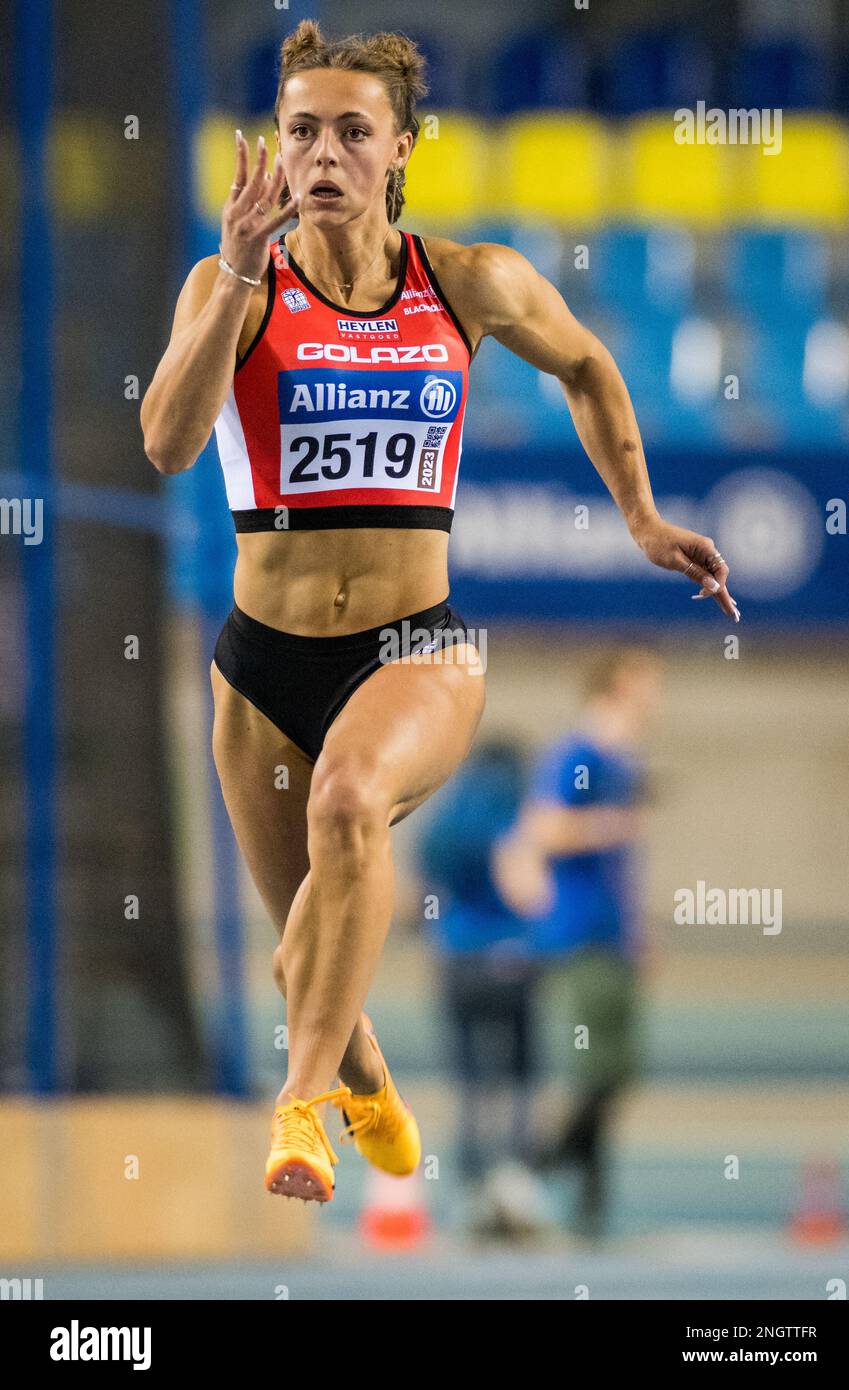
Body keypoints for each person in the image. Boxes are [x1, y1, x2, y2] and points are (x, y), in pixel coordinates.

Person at [139, 17, 736, 1206]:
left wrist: (639, 515)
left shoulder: (467, 282)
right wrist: (244, 275)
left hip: (417, 645)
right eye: (301, 129)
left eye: (351, 132)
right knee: (303, 949)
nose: (321, 154)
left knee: (350, 805)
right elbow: (165, 440)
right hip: (259, 668)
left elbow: (588, 367)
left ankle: (299, 1108)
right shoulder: (231, 285)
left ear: (401, 148)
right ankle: (364, 1079)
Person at [493, 645, 664, 1239]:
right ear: (616, 685)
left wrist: (639, 932)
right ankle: (525, 1175)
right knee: (596, 1072)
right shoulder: (578, 756)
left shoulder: (621, 760)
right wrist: (604, 826)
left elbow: (622, 869)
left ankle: (587, 1207)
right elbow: (540, 830)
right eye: (645, 681)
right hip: (580, 937)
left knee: (618, 1073)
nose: (655, 695)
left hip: (613, 937)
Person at [415, 739, 547, 1237]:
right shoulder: (511, 814)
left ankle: (471, 1192)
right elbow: (527, 892)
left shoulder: (448, 821)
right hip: (510, 958)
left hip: (457, 960)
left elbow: (419, 893)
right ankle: (516, 1185)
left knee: (470, 1083)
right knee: (519, 1078)